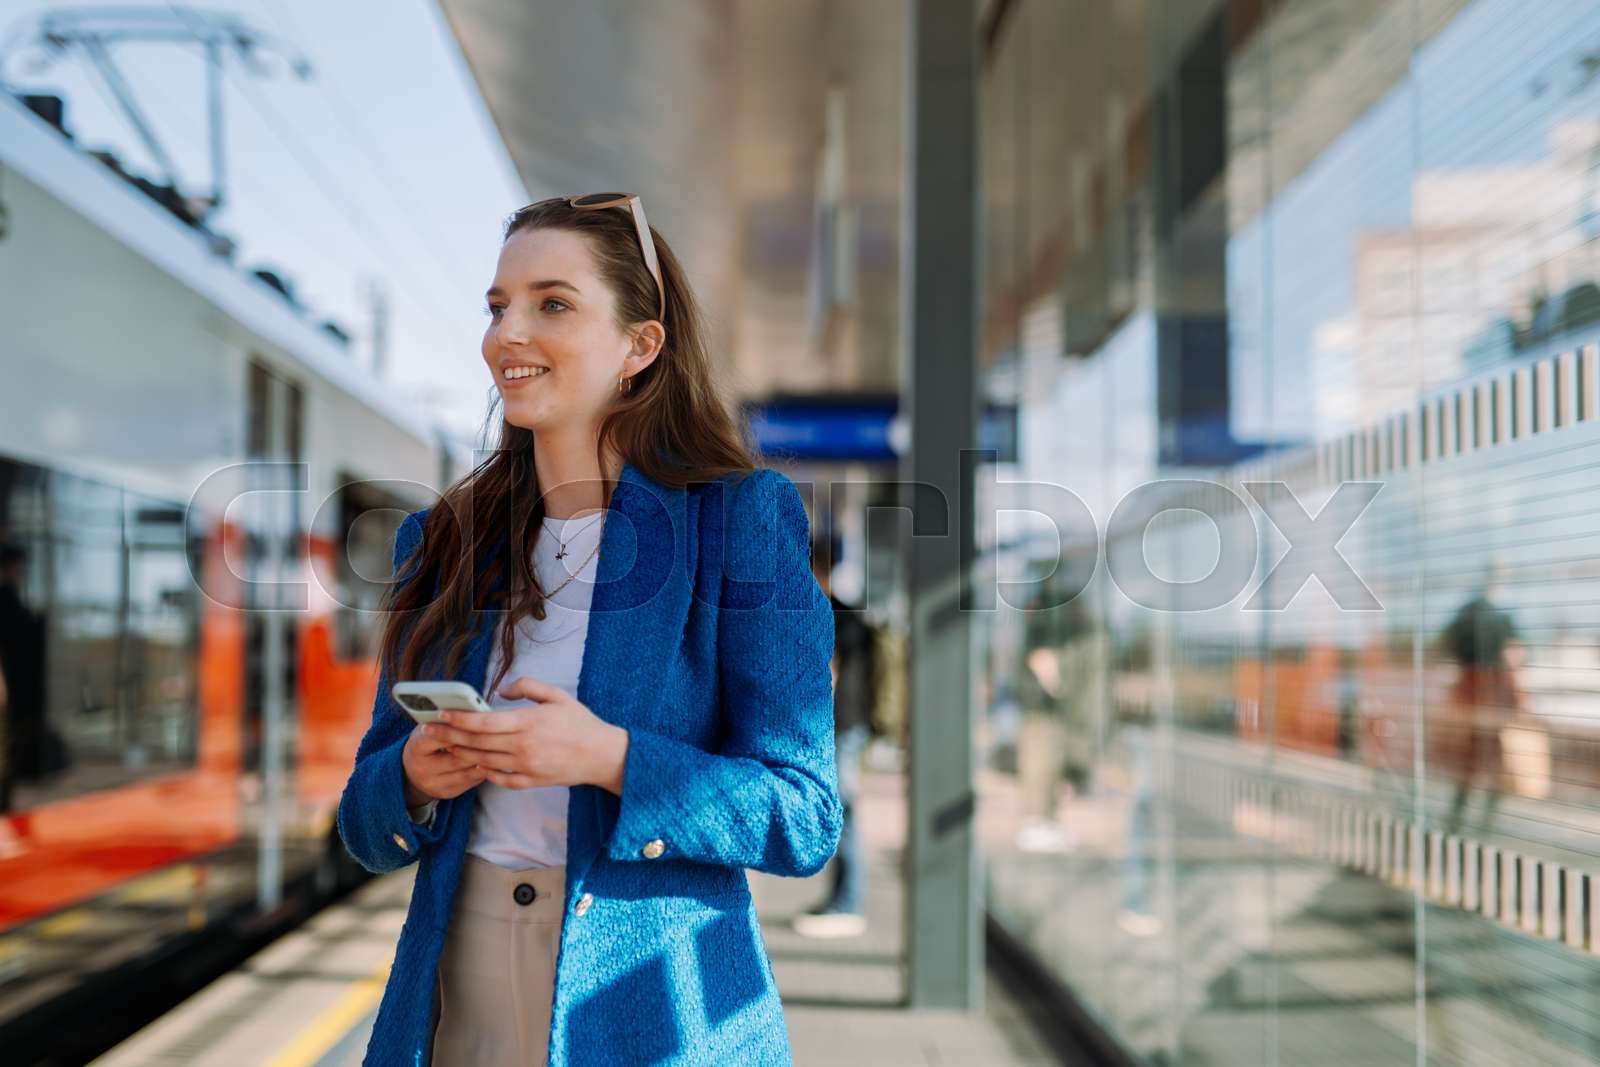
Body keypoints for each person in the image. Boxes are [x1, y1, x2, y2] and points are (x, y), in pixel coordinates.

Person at [336, 194, 840, 1067]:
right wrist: (415, 776)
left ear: (640, 347)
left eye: (553, 303)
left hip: (652, 1011)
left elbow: (804, 815)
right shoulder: (443, 540)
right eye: (498, 306)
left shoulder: (739, 520)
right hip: (455, 993)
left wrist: (610, 757)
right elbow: (361, 816)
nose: (508, 333)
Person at [793, 536, 876, 938]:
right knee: (842, 810)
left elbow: (826, 675)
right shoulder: (848, 613)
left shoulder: (829, 614)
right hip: (848, 725)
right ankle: (841, 899)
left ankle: (848, 902)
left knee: (843, 811)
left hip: (841, 726)